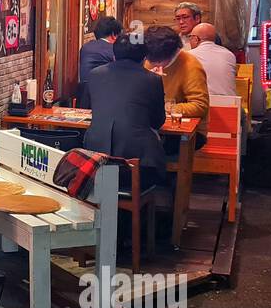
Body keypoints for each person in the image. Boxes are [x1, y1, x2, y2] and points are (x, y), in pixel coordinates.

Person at [82, 36, 168, 189]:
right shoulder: (152, 79)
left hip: (95, 157)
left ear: (114, 55)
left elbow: (88, 108)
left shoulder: (94, 74)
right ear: (144, 57)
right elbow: (157, 121)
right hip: (135, 164)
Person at [144, 25, 209, 145]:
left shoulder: (191, 66)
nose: (151, 63)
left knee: (150, 147)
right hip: (156, 125)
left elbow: (200, 106)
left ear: (172, 53)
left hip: (188, 131)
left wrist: (166, 108)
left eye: (157, 61)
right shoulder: (151, 59)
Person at [187, 22, 238, 98]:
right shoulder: (229, 55)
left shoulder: (188, 56)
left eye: (190, 37)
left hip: (203, 105)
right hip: (231, 105)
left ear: (196, 39)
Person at [78, 15, 122, 83]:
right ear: (114, 35)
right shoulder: (114, 50)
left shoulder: (85, 47)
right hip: (103, 90)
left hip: (83, 91)